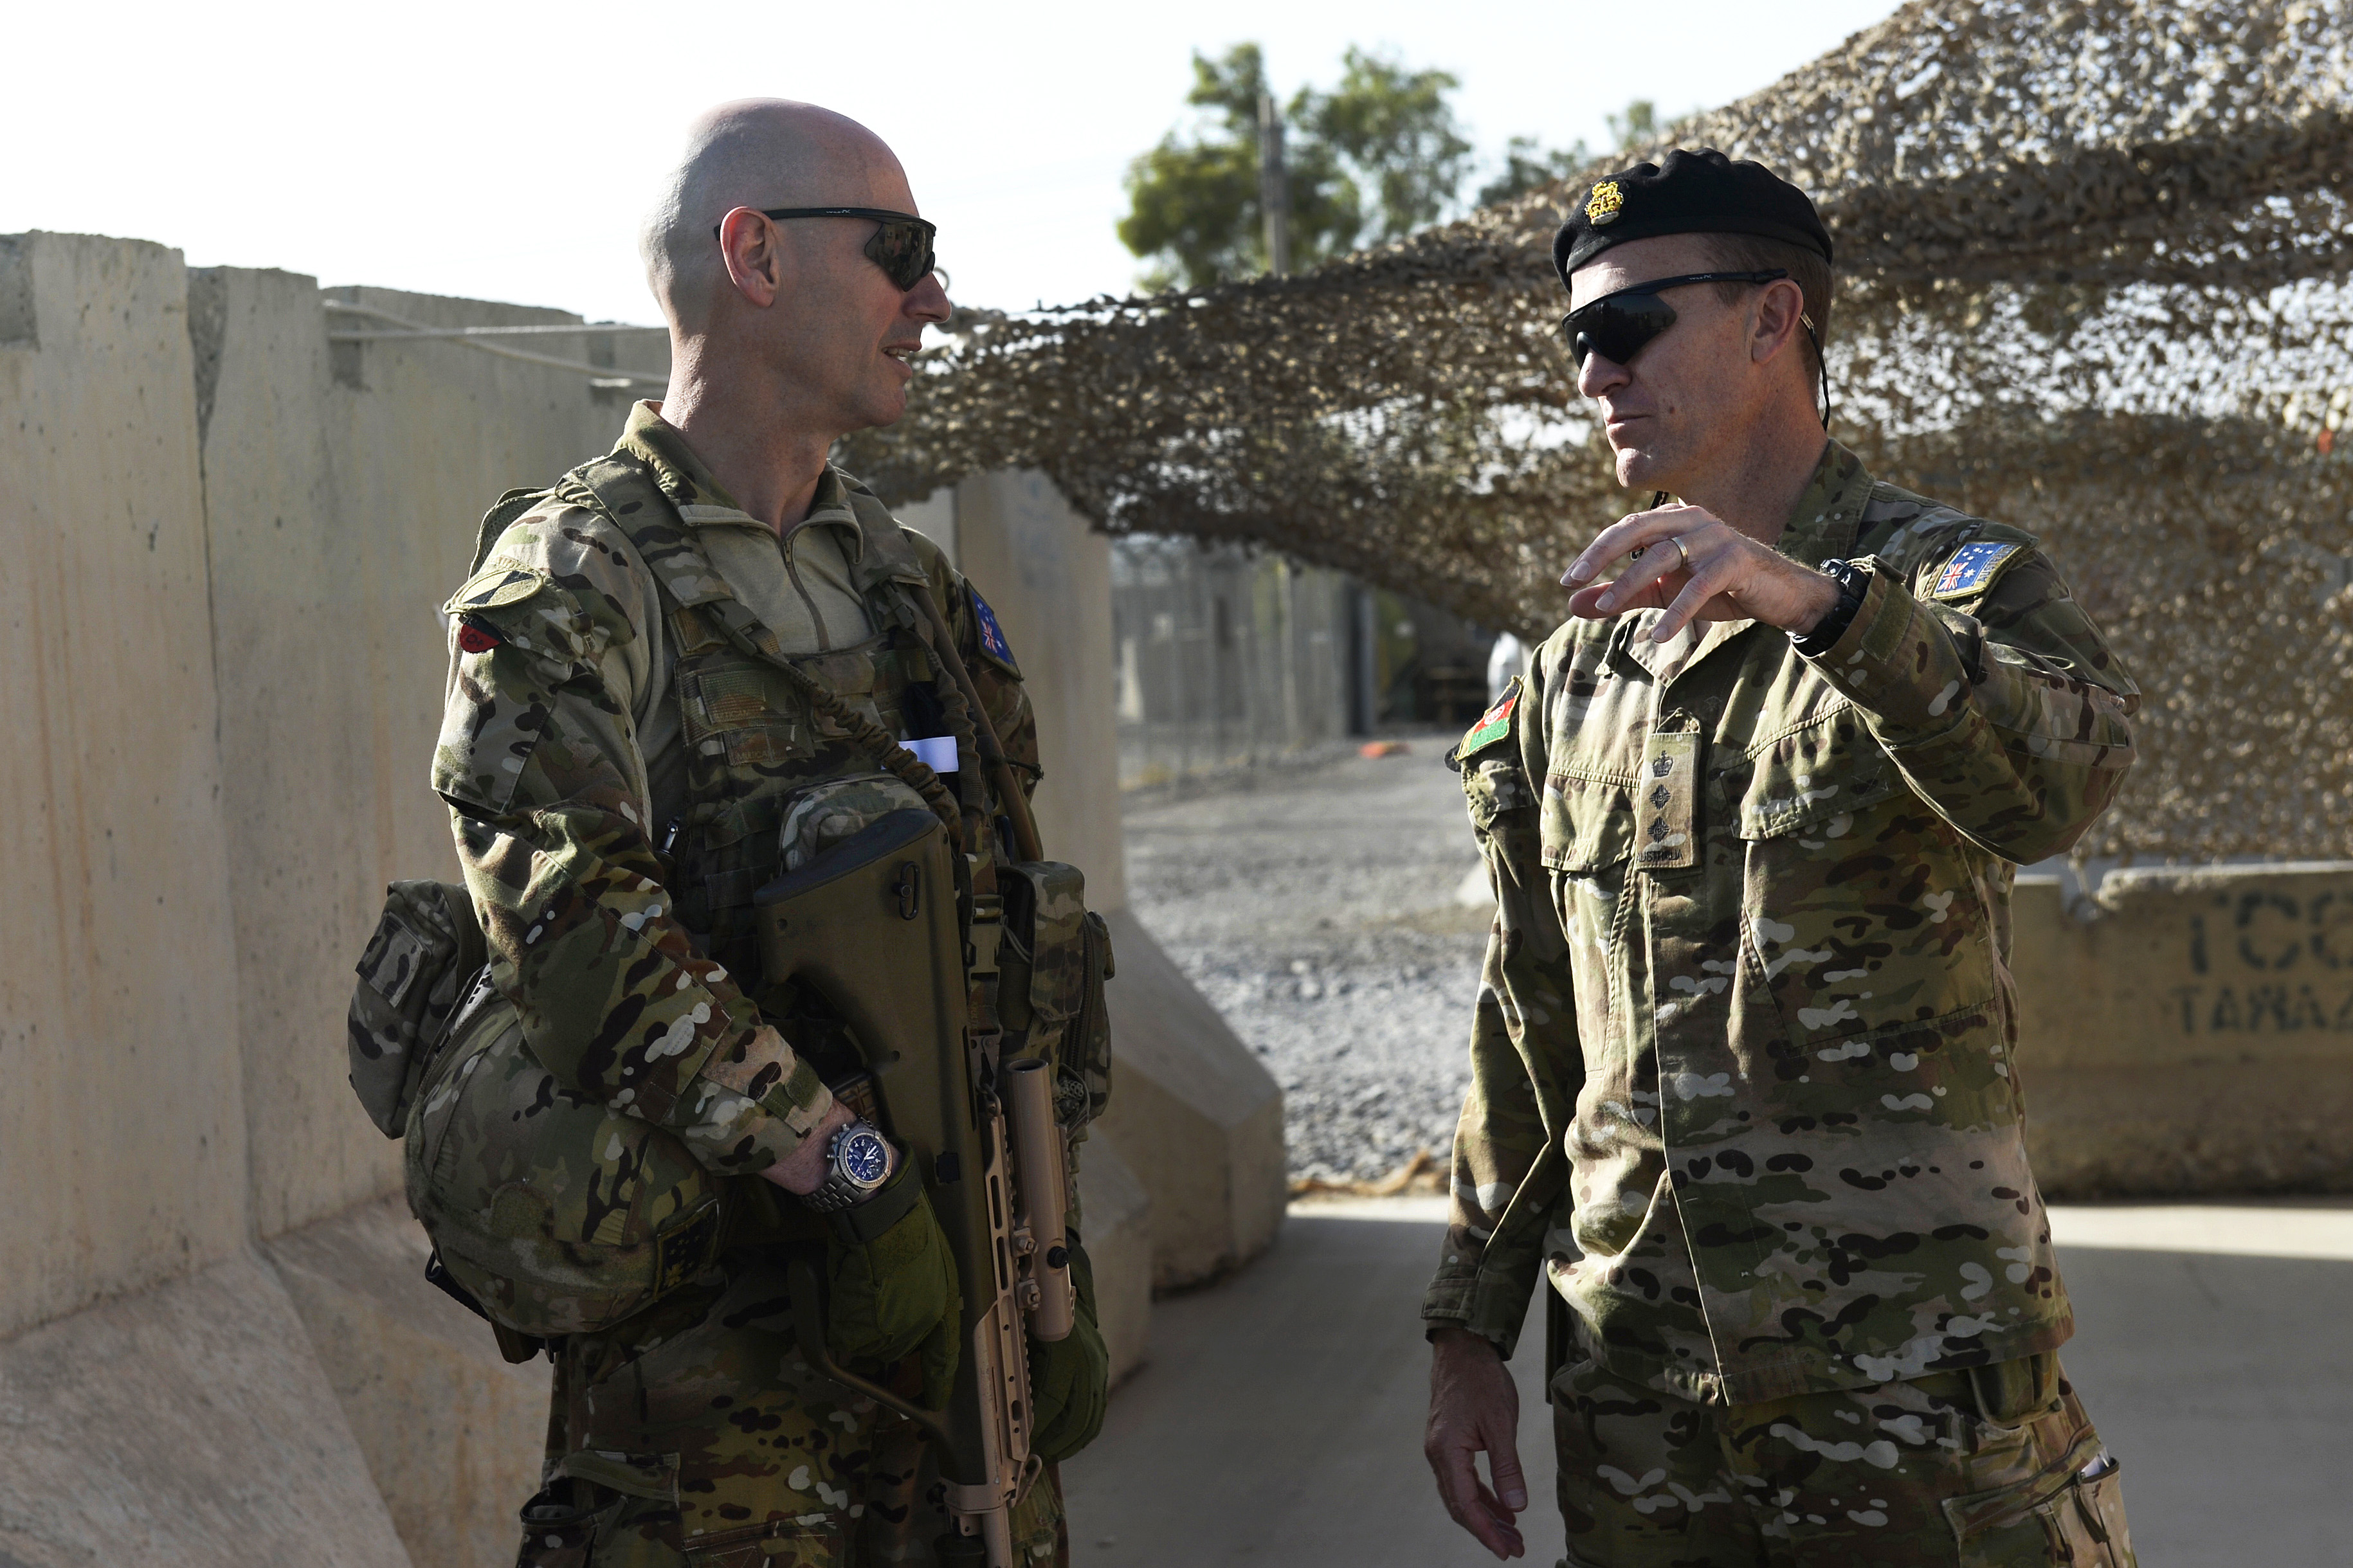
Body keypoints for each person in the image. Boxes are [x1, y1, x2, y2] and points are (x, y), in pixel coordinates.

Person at [1421, 149, 2140, 1567]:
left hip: (1911, 1402)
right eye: (1575, 338)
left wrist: (1819, 608)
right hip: (1642, 1417)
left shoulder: (1941, 584)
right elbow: (1530, 1021)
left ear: (1772, 321)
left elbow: (2062, 779)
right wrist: (1466, 1332)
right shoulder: (1577, 666)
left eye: (1626, 326)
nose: (1591, 373)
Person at [427, 100, 1107, 1566]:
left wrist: (1046, 1262)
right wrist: (848, 1178)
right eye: (902, 252)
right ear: (754, 256)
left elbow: (1014, 927)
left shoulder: (914, 590)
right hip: (711, 1426)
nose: (934, 298)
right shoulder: (578, 576)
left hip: (949, 1376)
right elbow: (577, 927)